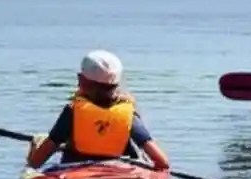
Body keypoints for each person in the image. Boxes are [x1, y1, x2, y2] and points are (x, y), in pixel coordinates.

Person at [26, 50, 169, 170]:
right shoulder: (128, 114)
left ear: (81, 80)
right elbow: (162, 162)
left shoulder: (73, 112)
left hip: (75, 175)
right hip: (120, 174)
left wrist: (36, 146)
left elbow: (36, 162)